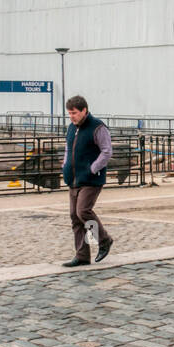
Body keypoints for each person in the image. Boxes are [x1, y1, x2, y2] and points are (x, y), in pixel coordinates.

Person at [61, 95, 115, 266]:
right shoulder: (71, 127)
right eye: (69, 113)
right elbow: (68, 149)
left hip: (91, 179)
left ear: (84, 110)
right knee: (74, 216)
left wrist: (93, 169)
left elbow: (106, 151)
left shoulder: (97, 127)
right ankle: (82, 255)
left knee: (83, 211)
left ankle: (104, 240)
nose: (71, 116)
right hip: (74, 178)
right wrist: (65, 166)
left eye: (74, 113)